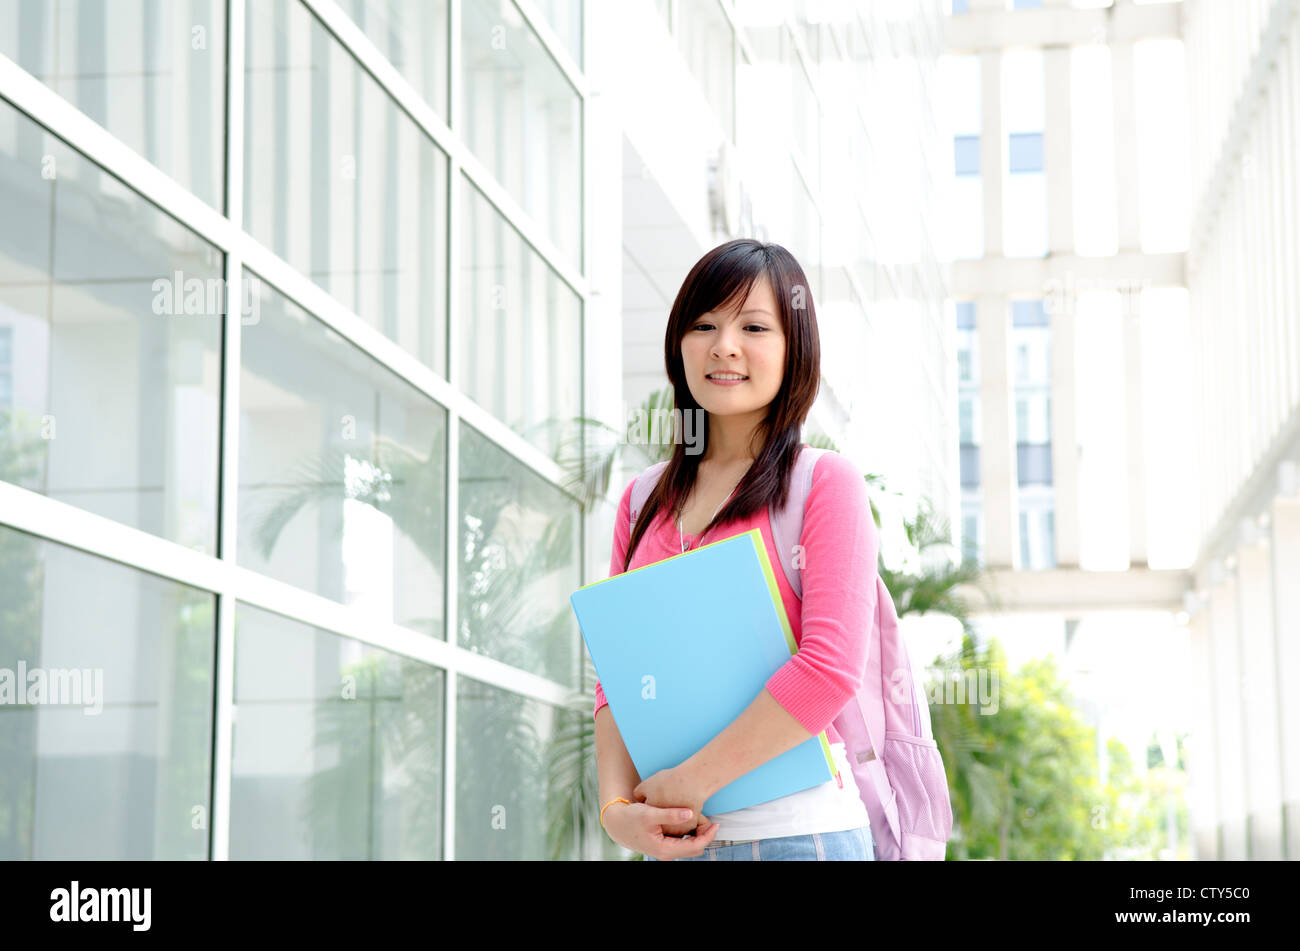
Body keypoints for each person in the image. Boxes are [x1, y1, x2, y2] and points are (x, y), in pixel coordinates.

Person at [594, 238, 879, 861]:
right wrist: (618, 812)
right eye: (704, 324)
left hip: (801, 839)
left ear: (793, 349)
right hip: (673, 844)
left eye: (753, 326)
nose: (724, 345)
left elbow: (828, 670)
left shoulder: (823, 484)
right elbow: (616, 679)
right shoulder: (640, 501)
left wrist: (689, 784)